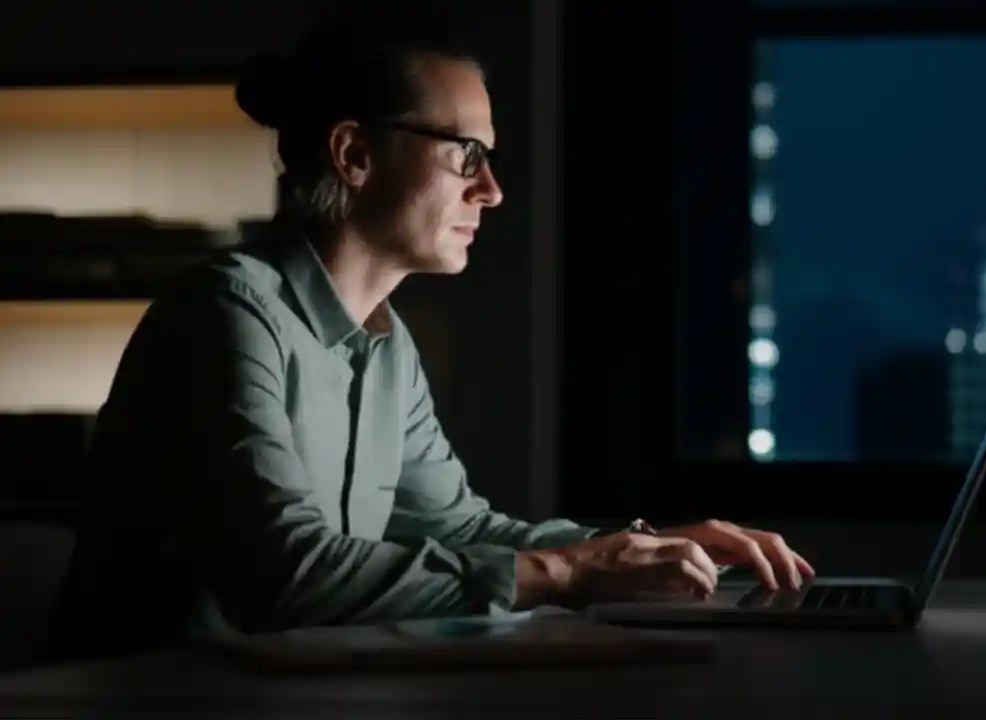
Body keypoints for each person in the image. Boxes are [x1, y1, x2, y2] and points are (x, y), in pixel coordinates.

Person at [51, 10, 813, 660]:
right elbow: (287, 579)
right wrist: (575, 571)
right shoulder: (225, 315)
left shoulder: (385, 343)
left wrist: (640, 547)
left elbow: (459, 526)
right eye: (466, 155)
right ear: (354, 154)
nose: (492, 190)